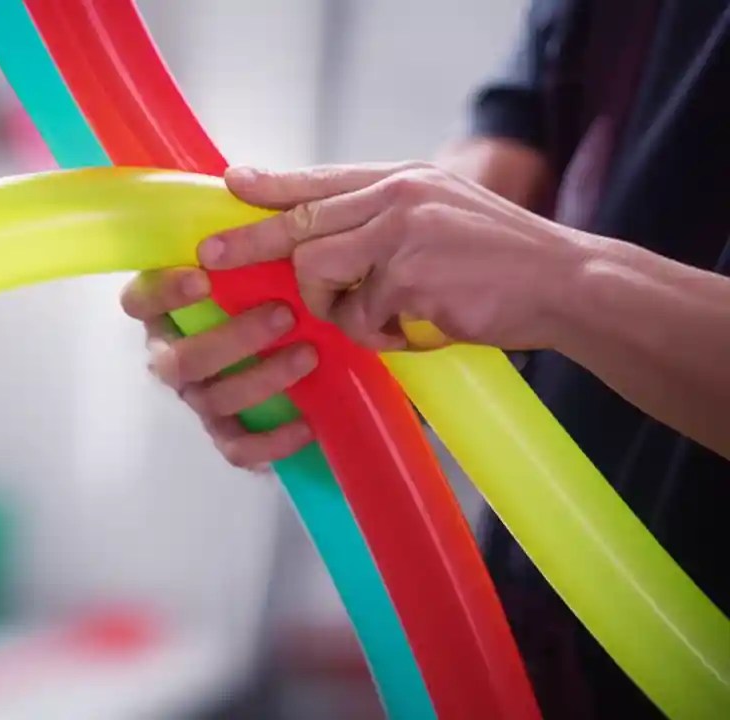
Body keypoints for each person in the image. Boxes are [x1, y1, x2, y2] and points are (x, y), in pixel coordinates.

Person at [120, 1, 729, 717]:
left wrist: (569, 280)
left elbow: (522, 254)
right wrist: (292, 312)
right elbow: (499, 163)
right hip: (533, 670)